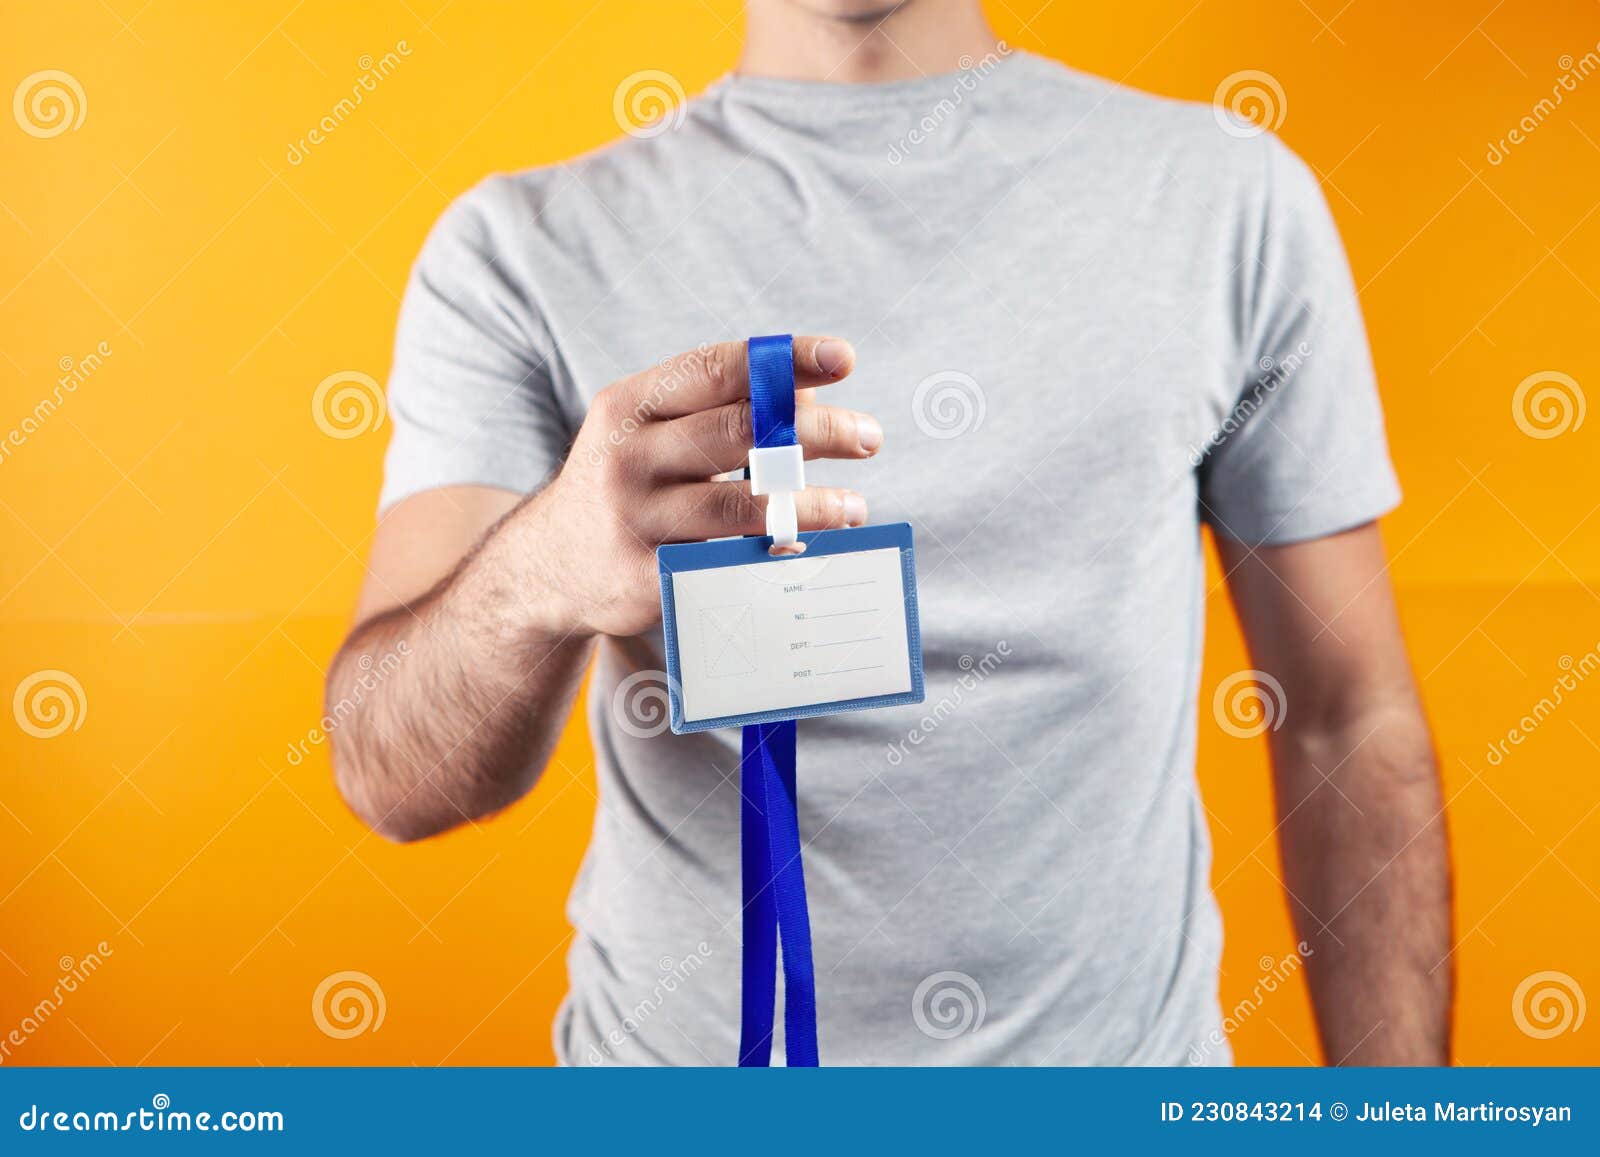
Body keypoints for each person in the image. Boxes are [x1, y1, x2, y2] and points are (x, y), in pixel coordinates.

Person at [326, 0, 1452, 1066]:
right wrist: (539, 573)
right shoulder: (517, 252)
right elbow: (391, 775)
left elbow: (1346, 717)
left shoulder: (1225, 200)